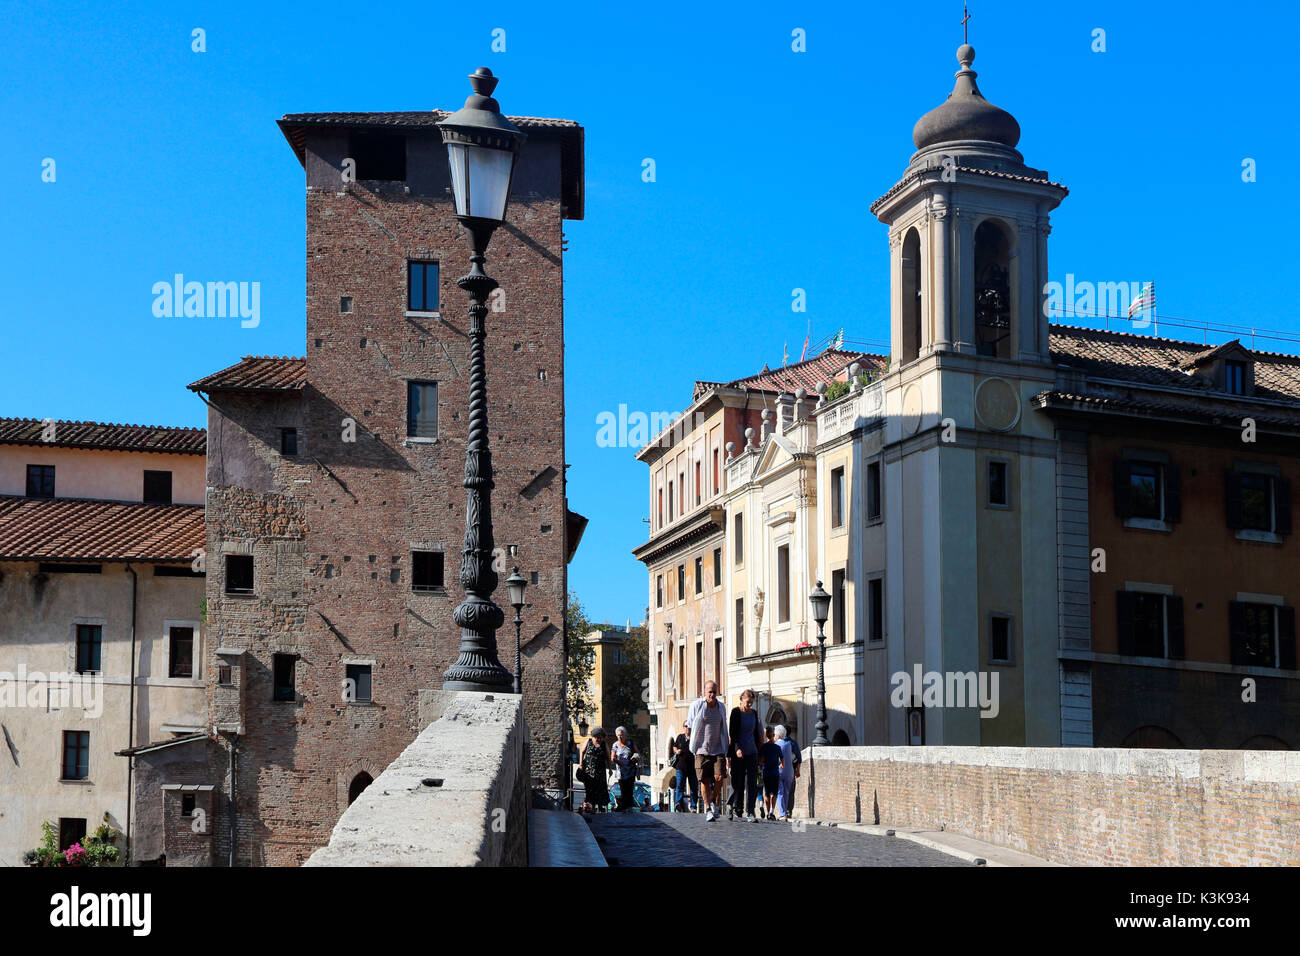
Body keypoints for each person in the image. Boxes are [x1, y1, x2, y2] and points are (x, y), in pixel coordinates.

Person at [687, 680, 729, 822]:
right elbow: (690, 723)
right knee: (704, 781)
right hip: (701, 748)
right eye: (709, 692)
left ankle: (714, 801)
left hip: (718, 748)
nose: (712, 694)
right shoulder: (697, 705)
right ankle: (708, 809)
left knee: (719, 777)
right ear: (704, 692)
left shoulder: (721, 707)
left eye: (714, 692)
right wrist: (690, 740)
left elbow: (724, 726)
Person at [726, 689, 764, 822]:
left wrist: (759, 751)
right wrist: (737, 748)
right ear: (742, 699)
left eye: (751, 703)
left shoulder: (754, 713)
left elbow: (756, 733)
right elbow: (733, 733)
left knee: (752, 782)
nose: (749, 705)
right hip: (739, 752)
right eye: (748, 702)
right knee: (737, 781)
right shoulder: (735, 712)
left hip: (752, 751)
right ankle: (731, 805)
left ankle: (750, 812)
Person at [579, 727, 611, 811]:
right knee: (590, 788)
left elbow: (608, 757)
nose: (599, 739)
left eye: (600, 737)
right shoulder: (588, 741)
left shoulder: (604, 744)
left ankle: (600, 806)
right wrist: (581, 764)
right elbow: (582, 752)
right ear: (593, 736)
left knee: (600, 788)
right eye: (597, 737)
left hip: (600, 770)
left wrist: (610, 769)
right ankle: (592, 806)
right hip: (589, 770)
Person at [671, 725, 698, 813]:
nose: (687, 728)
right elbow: (674, 746)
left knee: (694, 787)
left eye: (689, 726)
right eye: (685, 726)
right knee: (680, 786)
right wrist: (676, 751)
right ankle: (678, 803)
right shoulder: (680, 737)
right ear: (683, 727)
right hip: (681, 766)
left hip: (693, 767)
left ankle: (693, 806)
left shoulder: (695, 737)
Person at [611, 726, 640, 811]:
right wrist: (617, 760)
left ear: (625, 735)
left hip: (630, 771)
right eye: (618, 735)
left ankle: (628, 807)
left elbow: (637, 753)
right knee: (623, 790)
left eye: (622, 735)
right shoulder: (615, 745)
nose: (620, 737)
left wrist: (635, 758)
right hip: (621, 772)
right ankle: (623, 807)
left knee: (629, 790)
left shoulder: (631, 743)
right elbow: (612, 757)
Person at [758, 726, 782, 822]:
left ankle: (767, 813)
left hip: (766, 772)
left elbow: (761, 760)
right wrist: (782, 765)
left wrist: (763, 763)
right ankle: (772, 811)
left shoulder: (763, 747)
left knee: (767, 794)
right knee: (774, 793)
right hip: (775, 773)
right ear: (773, 735)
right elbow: (782, 759)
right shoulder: (777, 747)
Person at [773, 725, 796, 821]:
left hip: (779, 771)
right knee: (786, 792)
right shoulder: (789, 744)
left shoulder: (776, 745)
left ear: (777, 736)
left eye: (774, 734)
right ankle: (785, 811)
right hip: (789, 771)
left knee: (780, 792)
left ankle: (782, 814)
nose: (774, 736)